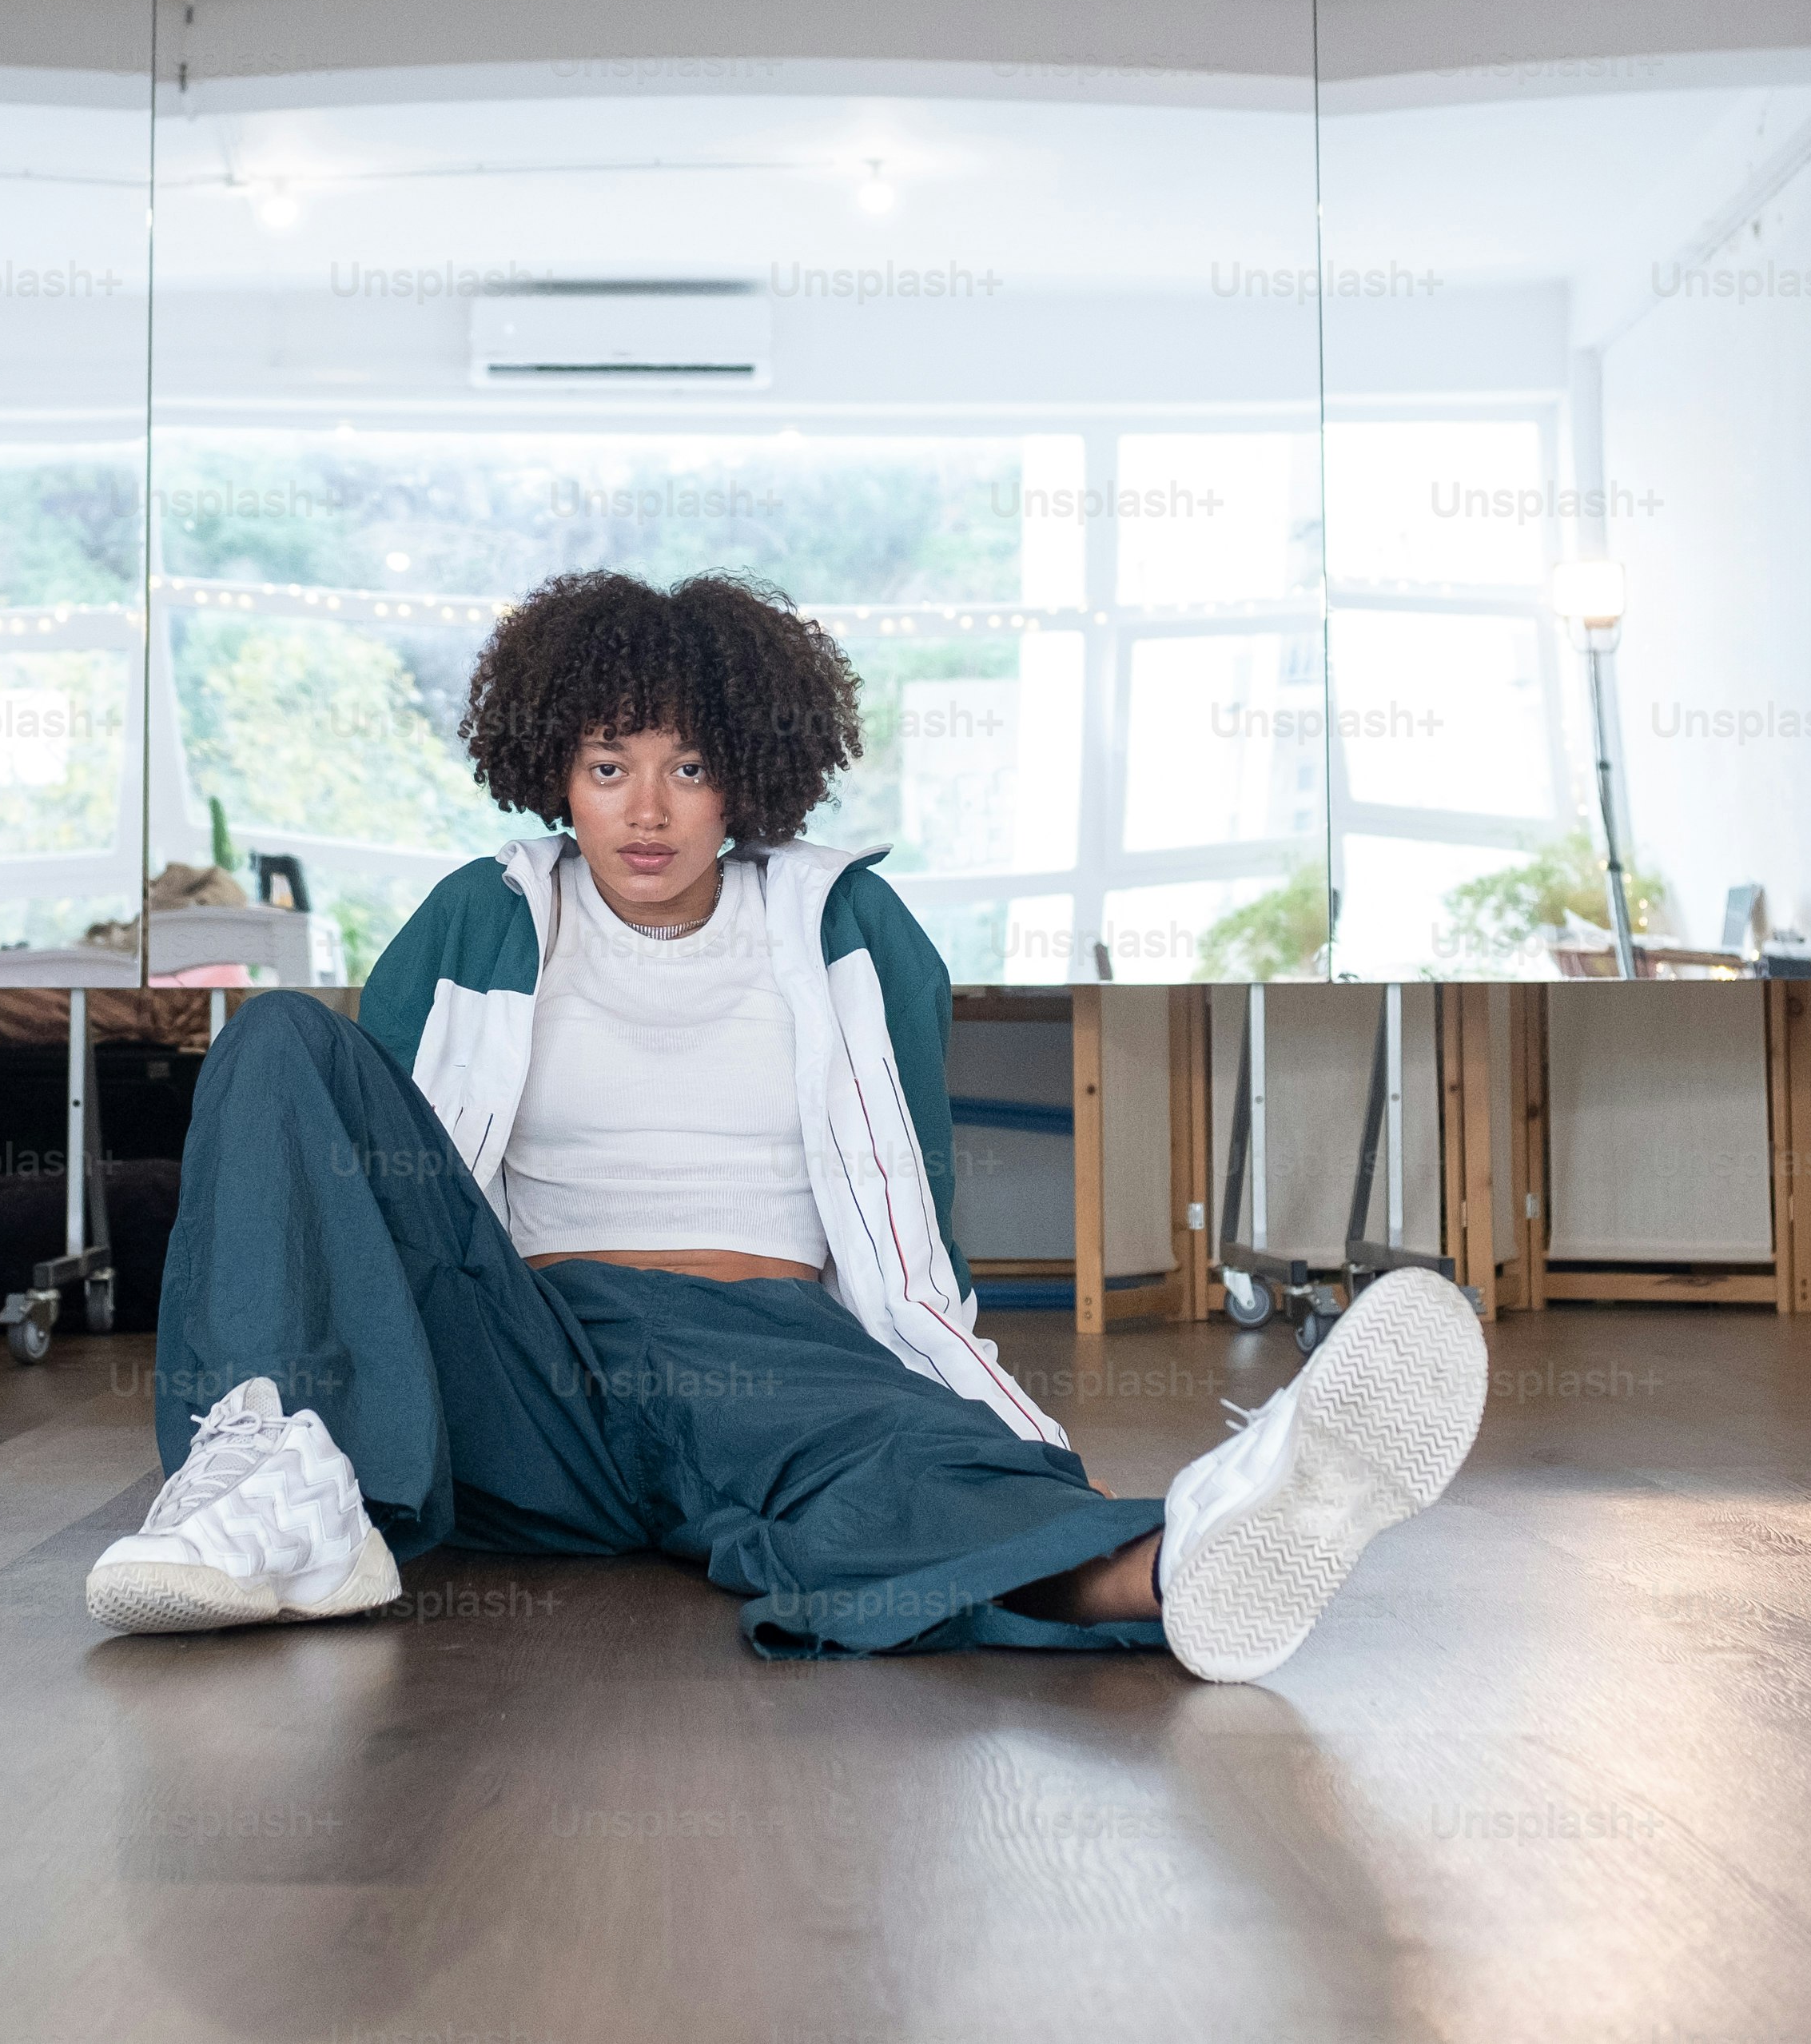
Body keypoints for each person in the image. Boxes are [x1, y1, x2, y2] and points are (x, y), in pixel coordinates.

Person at [84, 567, 1484, 1678]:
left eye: (689, 769)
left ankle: (1192, 1561)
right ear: (551, 772)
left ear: (749, 774)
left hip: (769, 1349)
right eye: (607, 764)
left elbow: (906, 1221)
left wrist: (1003, 1425)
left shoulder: (845, 930)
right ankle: (276, 1485)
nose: (646, 809)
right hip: (518, 1362)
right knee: (273, 1036)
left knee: (912, 1476)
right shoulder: (480, 914)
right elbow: (367, 1205)